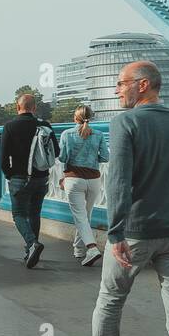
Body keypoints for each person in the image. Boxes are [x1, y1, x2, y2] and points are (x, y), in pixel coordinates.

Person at [73, 62, 169, 336]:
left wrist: (117, 230)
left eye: (121, 83)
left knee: (111, 299)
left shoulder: (126, 122)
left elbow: (118, 182)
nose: (117, 89)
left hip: (136, 232)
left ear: (143, 85)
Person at [1, 93, 58, 268]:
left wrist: (10, 174)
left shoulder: (10, 126)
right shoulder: (45, 125)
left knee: (18, 214)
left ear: (18, 107)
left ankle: (32, 244)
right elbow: (57, 151)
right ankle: (30, 250)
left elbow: (4, 157)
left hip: (20, 178)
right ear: (34, 108)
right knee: (35, 213)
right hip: (42, 178)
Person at [58, 104, 108, 267]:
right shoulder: (99, 134)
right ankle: (79, 250)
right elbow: (105, 157)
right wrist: (92, 159)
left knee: (80, 217)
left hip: (74, 179)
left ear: (75, 117)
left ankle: (92, 248)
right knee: (85, 216)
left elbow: (63, 157)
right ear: (91, 117)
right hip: (93, 180)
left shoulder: (67, 134)